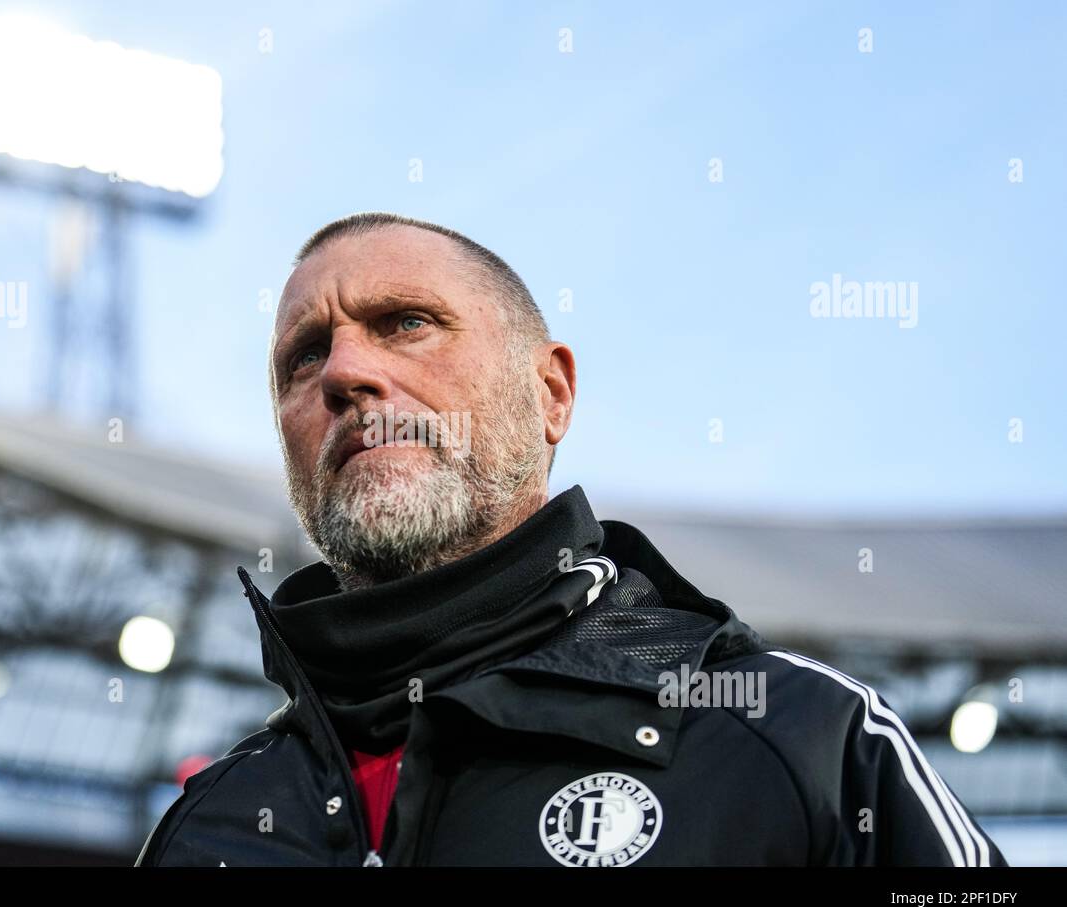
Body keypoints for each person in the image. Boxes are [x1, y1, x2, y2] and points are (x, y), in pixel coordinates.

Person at [136, 212, 1006, 867]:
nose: (344, 373)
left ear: (551, 393)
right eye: (304, 356)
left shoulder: (796, 737)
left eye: (406, 322)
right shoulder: (209, 826)